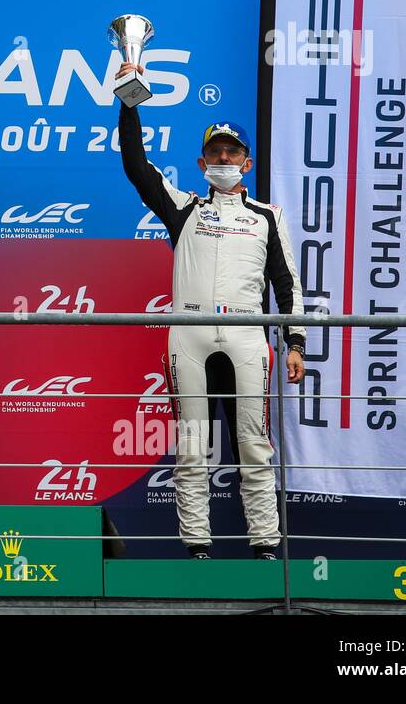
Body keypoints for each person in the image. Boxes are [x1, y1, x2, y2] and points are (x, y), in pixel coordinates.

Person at [116, 62, 305, 559]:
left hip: (248, 336)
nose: (224, 158)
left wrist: (297, 343)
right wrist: (129, 101)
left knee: (253, 445)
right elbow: (136, 166)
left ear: (246, 162)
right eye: (215, 152)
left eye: (232, 152)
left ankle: (265, 543)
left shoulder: (268, 216)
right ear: (202, 164)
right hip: (190, 335)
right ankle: (196, 545)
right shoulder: (184, 208)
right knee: (192, 447)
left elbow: (286, 282)